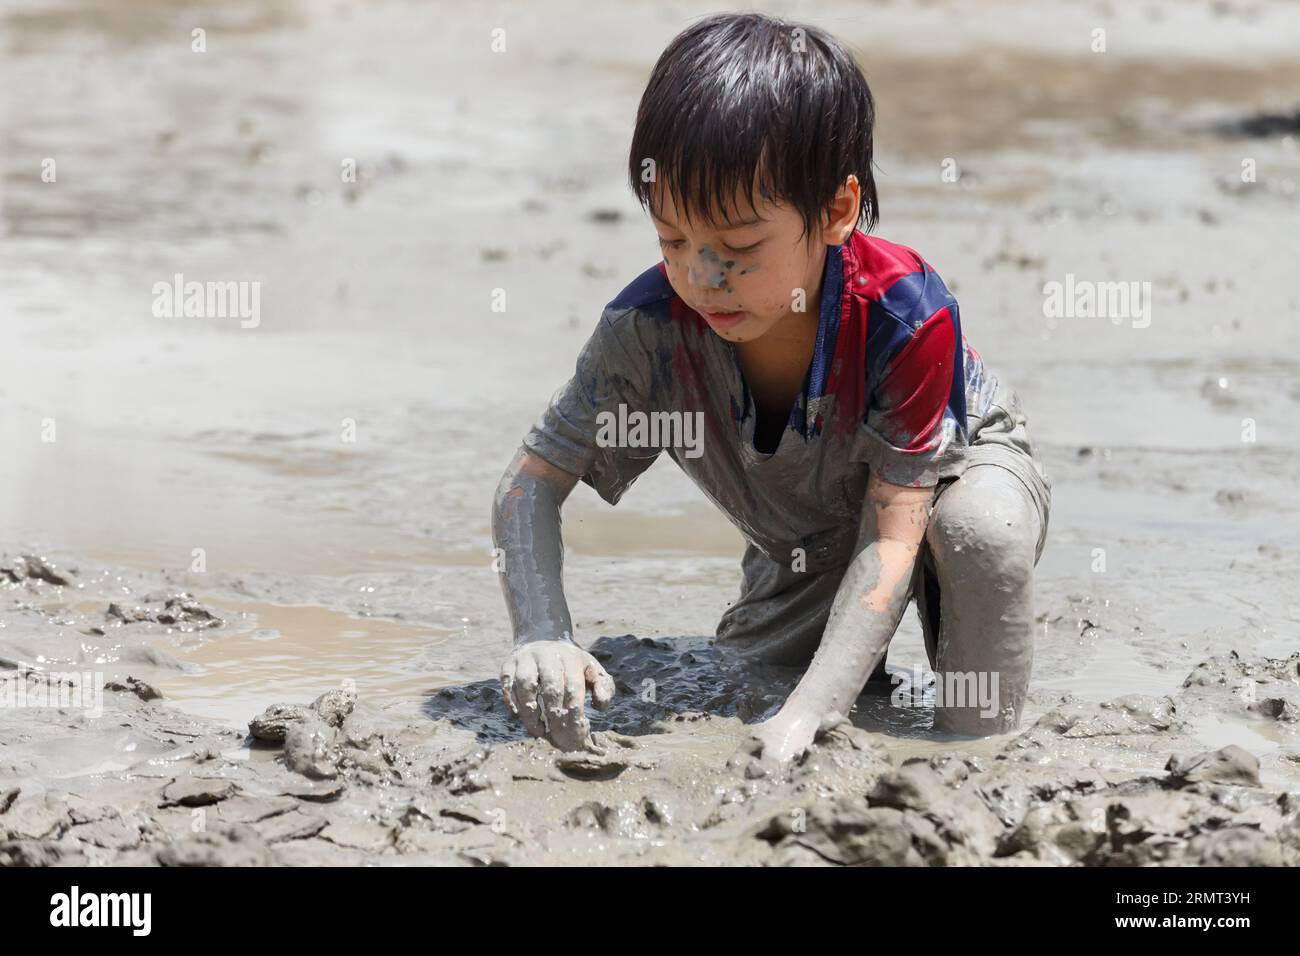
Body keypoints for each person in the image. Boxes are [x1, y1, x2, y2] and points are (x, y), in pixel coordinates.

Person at [491, 12, 1052, 762]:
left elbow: (893, 534)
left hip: (944, 473)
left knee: (977, 537)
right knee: (755, 682)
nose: (702, 276)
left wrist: (808, 716)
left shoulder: (907, 316)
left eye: (740, 246)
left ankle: (976, 751)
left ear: (836, 211)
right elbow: (528, 487)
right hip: (808, 526)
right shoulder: (649, 328)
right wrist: (542, 635)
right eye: (673, 239)